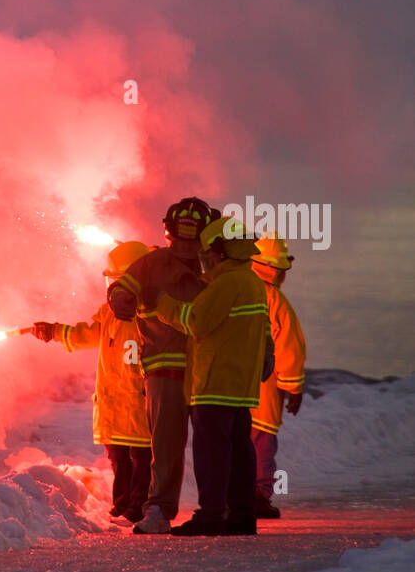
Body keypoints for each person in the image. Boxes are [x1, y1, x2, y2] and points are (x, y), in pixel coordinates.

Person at [153, 216, 273, 536]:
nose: (204, 259)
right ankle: (242, 516)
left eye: (208, 252)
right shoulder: (251, 282)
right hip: (239, 386)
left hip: (214, 384)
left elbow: (195, 321)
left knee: (212, 455)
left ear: (221, 251)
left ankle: (211, 515)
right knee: (239, 452)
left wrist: (160, 304)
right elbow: (263, 330)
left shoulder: (227, 283)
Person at [107, 197, 218, 534]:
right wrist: (119, 299)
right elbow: (121, 287)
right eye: (181, 240)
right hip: (164, 372)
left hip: (209, 371)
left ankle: (217, 507)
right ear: (169, 233)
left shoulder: (217, 267)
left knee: (213, 445)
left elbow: (247, 309)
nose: (187, 248)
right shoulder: (149, 264)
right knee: (164, 447)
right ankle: (158, 509)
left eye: (193, 240)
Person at [32, 240, 152, 523]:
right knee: (118, 458)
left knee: (141, 458)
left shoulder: (150, 312)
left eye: (118, 279)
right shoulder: (108, 311)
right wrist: (56, 332)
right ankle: (122, 504)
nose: (113, 287)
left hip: (137, 399)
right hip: (112, 402)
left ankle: (138, 506)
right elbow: (88, 334)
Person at [251, 233, 306, 519]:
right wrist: (293, 387)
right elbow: (289, 348)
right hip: (264, 393)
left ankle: (227, 496)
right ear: (276, 270)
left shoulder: (235, 290)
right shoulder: (276, 302)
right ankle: (259, 496)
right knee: (261, 445)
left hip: (228, 388)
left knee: (231, 444)